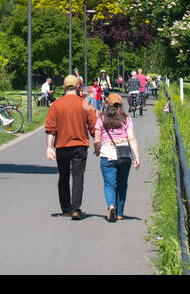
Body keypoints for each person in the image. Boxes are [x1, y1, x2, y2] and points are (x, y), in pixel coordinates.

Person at [45, 74, 97, 219]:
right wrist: (97, 143)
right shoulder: (86, 103)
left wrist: (49, 147)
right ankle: (75, 209)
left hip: (61, 145)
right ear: (78, 87)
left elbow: (50, 128)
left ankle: (66, 208)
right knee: (78, 176)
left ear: (63, 87)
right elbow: (94, 126)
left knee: (63, 176)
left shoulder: (56, 104)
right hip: (80, 145)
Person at [94, 93, 140, 222]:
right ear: (121, 104)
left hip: (107, 155)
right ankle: (120, 213)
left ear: (107, 105)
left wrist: (97, 151)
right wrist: (136, 156)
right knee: (122, 184)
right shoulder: (127, 119)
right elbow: (131, 138)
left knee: (109, 184)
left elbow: (97, 139)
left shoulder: (101, 119)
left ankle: (111, 206)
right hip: (124, 154)